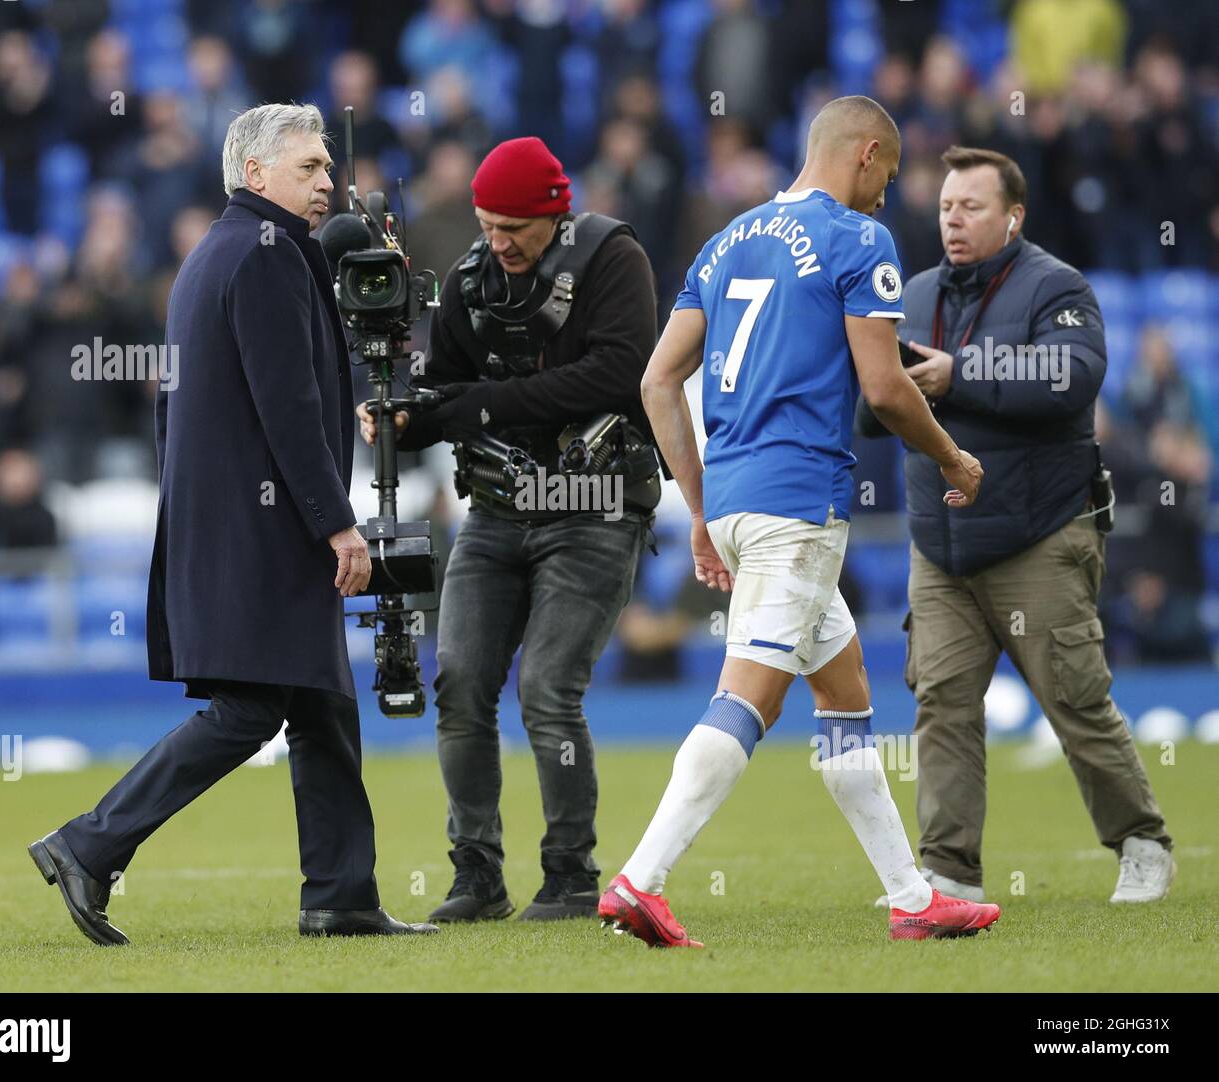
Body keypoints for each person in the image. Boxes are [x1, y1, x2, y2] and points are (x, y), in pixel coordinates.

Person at [28, 103, 437, 944]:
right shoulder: (266, 257)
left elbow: (173, 418)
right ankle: (88, 844)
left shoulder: (219, 253)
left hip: (236, 527)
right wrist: (337, 524)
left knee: (322, 704)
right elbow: (287, 409)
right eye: (310, 168)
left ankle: (342, 896)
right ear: (257, 175)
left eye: (327, 167)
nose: (328, 183)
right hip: (265, 534)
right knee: (249, 711)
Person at [598, 96, 998, 948]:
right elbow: (886, 389)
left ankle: (911, 899)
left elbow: (658, 381)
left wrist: (702, 509)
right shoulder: (860, 242)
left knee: (846, 693)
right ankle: (640, 880)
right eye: (888, 173)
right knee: (748, 700)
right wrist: (955, 459)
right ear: (867, 153)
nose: (890, 195)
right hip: (798, 504)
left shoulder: (725, 239)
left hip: (740, 498)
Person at [858, 145, 1174, 904]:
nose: (954, 219)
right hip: (941, 546)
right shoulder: (914, 291)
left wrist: (955, 374)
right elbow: (868, 413)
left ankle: (1141, 842)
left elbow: (1069, 376)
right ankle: (947, 871)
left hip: (1039, 533)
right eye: (944, 207)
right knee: (942, 704)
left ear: (1014, 216)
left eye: (971, 206)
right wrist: (885, 388)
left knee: (1074, 698)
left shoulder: (1056, 286)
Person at [357, 136, 661, 922]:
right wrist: (402, 415)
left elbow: (620, 372)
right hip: (495, 512)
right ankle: (477, 877)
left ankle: (570, 875)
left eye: (512, 229)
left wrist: (476, 406)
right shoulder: (468, 281)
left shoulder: (613, 258)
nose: (497, 243)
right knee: (459, 686)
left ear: (555, 214)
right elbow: (447, 391)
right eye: (488, 225)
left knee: (547, 688)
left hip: (596, 508)